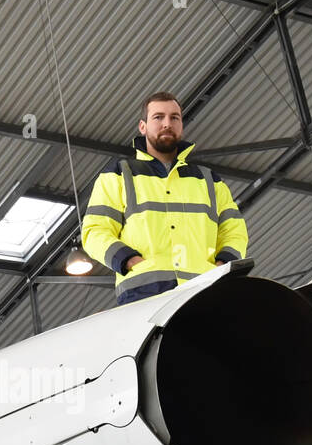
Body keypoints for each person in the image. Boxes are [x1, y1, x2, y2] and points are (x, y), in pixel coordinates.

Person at [81, 92, 249, 305]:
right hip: (143, 293)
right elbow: (95, 231)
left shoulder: (209, 180)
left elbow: (234, 230)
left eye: (174, 118)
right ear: (143, 126)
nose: (167, 123)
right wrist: (130, 261)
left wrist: (222, 266)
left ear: (181, 126)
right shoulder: (119, 174)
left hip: (205, 291)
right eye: (158, 117)